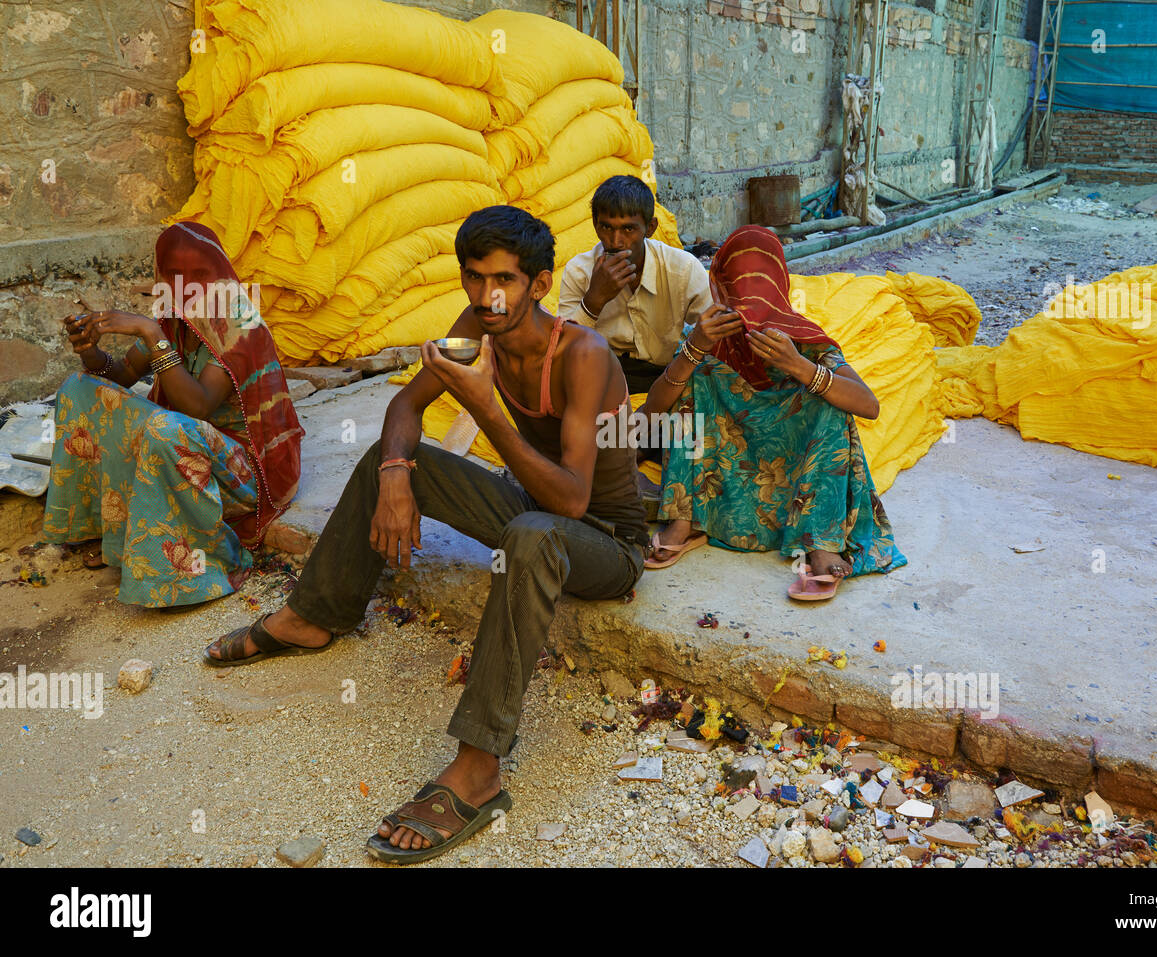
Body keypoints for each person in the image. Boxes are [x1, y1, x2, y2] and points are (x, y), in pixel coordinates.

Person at [202, 206, 648, 864]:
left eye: (504, 280)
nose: (487, 297)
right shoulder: (476, 327)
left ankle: (478, 767)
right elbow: (405, 406)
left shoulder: (584, 356)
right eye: (474, 277)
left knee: (530, 531)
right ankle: (314, 613)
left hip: (602, 540)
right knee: (392, 456)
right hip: (532, 506)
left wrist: (485, 405)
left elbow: (572, 499)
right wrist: (394, 476)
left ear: (541, 284)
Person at [41, 222, 303, 607]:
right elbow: (121, 376)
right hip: (185, 449)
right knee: (79, 389)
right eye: (176, 276)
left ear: (220, 274)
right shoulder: (173, 322)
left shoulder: (240, 327)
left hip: (243, 472)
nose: (190, 286)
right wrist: (89, 350)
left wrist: (149, 333)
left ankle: (194, 564)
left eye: (200, 275)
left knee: (165, 426)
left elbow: (196, 406)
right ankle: (114, 535)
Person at [640, 225, 906, 600]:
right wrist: (695, 348)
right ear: (723, 290)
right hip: (727, 469)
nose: (751, 302)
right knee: (697, 376)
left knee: (830, 401)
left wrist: (799, 366)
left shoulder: (803, 338)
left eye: (759, 287)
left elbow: (869, 406)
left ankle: (820, 545)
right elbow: (653, 411)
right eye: (740, 289)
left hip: (791, 467)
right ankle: (684, 520)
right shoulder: (709, 334)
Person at [557, 175, 712, 395]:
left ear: (650, 228)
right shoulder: (580, 271)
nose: (615, 241)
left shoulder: (682, 268)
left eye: (628, 229)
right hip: (601, 377)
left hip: (666, 376)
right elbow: (561, 351)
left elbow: (713, 330)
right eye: (606, 227)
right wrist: (594, 301)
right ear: (595, 225)